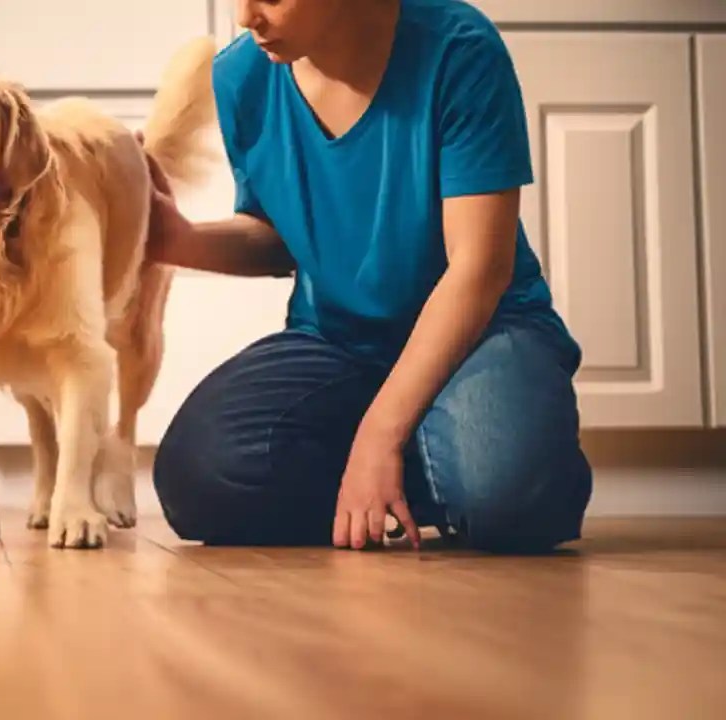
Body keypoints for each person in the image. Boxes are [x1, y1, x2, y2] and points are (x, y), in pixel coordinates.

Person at [144, 0, 593, 554]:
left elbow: (480, 267)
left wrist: (380, 434)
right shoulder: (243, 76)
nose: (245, 16)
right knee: (196, 480)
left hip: (483, 332)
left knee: (506, 500)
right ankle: (431, 460)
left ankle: (474, 455)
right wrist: (177, 241)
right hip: (337, 339)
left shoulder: (458, 49)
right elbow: (281, 237)